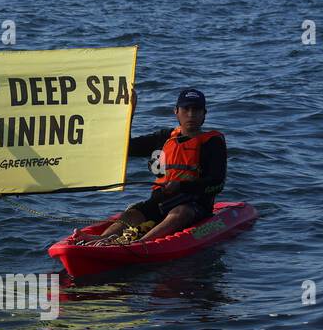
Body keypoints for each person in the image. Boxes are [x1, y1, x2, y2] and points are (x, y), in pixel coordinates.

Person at [90, 87, 226, 245]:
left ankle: (140, 244)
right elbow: (126, 147)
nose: (190, 114)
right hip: (160, 203)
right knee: (133, 214)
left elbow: (217, 183)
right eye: (186, 109)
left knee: (180, 212)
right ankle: (100, 240)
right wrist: (129, 113)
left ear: (204, 114)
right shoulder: (163, 138)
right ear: (176, 111)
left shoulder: (213, 143)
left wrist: (181, 186)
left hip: (194, 206)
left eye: (196, 110)